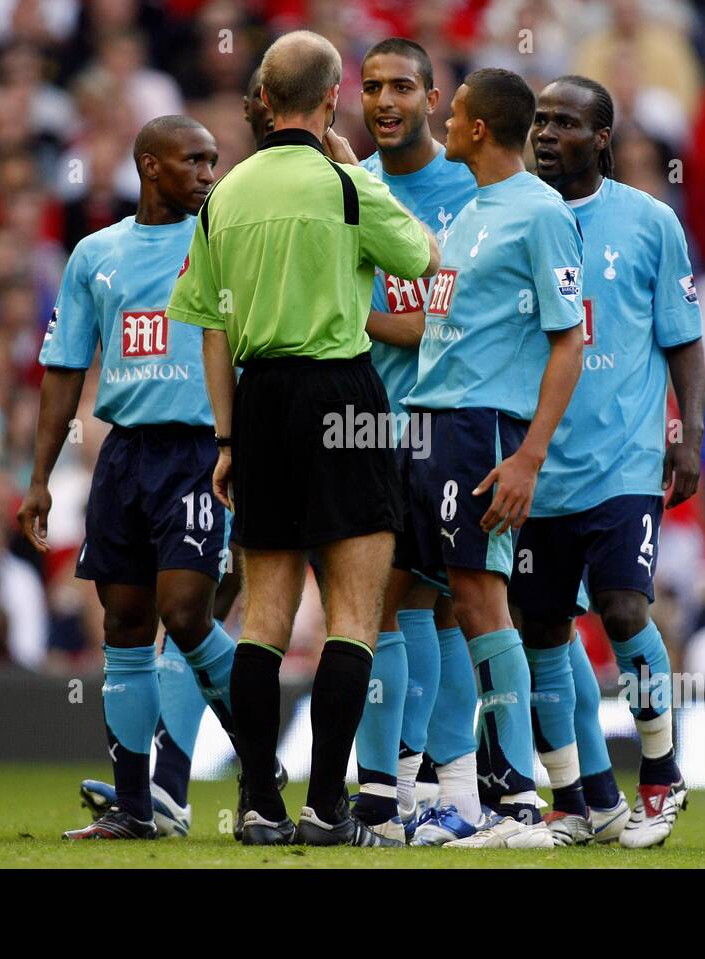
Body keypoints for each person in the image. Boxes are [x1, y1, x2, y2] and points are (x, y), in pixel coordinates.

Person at [166, 30, 440, 847]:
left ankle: (257, 803)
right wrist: (354, 168)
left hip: (259, 403)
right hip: (341, 394)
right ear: (330, 102)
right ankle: (327, 807)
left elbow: (209, 326)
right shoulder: (345, 185)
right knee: (354, 612)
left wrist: (225, 439)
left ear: (261, 98)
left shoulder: (225, 195)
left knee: (263, 617)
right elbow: (425, 259)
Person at [18, 116, 265, 840]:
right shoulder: (97, 254)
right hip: (124, 457)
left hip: (201, 453)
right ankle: (136, 806)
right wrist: (40, 476)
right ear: (150, 166)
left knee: (188, 613)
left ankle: (255, 757)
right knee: (125, 623)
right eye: (194, 161)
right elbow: (65, 366)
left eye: (215, 161)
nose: (208, 174)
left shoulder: (222, 246)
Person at [401, 68, 585, 849]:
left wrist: (529, 457)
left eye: (456, 110)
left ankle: (517, 801)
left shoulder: (541, 213)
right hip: (430, 423)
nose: (443, 118)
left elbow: (569, 338)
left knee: (481, 600)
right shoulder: (473, 208)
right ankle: (438, 795)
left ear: (478, 128)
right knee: (419, 595)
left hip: (485, 428)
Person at [523, 76, 704, 848]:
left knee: (625, 609)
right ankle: (573, 802)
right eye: (538, 120)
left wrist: (688, 433)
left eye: (564, 122)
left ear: (601, 139)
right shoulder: (513, 220)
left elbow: (683, 336)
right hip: (535, 465)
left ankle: (660, 777)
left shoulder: (649, 222)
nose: (544, 134)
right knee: (540, 630)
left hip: (624, 460)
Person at [348, 37, 480, 842]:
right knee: (403, 608)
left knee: (423, 604)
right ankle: (430, 794)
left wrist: (350, 316)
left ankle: (407, 794)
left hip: (446, 423)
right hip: (364, 428)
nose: (385, 100)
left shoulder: (471, 190)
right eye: (371, 87)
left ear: (434, 99)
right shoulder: (353, 186)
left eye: (402, 86)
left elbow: (453, 320)